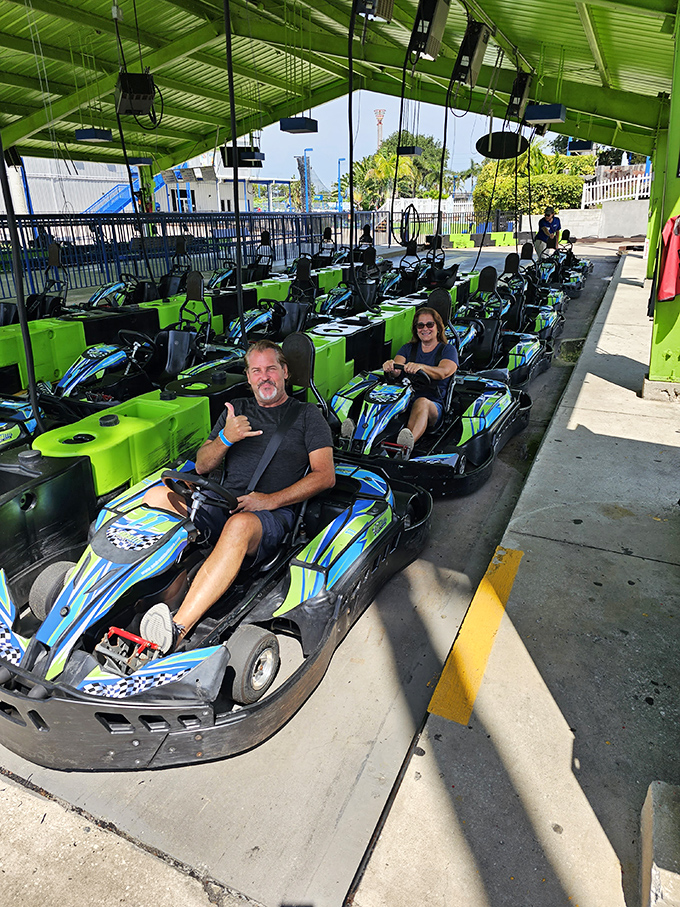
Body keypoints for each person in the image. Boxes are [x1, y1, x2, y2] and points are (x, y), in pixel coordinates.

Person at [140, 340, 335, 653]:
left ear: (285, 372)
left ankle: (176, 629)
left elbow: (325, 476)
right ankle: (131, 590)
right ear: (248, 377)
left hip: (270, 515)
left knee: (239, 526)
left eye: (271, 368)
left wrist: (269, 500)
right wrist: (226, 438)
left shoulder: (307, 416)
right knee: (156, 496)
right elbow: (204, 464)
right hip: (220, 501)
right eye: (257, 370)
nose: (265, 376)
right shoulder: (236, 410)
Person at [381, 307, 458, 456]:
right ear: (416, 329)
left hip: (433, 405)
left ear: (438, 327)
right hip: (404, 401)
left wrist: (421, 367)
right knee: (381, 394)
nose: (425, 329)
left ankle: (404, 448)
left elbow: (443, 372)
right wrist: (390, 366)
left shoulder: (448, 350)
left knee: (421, 402)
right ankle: (359, 438)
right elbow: (397, 369)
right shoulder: (408, 348)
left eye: (430, 325)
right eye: (420, 325)